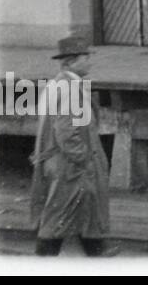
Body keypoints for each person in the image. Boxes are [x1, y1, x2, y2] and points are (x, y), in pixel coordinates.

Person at [30, 35, 109, 256]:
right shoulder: (70, 89)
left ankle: (98, 253)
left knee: (77, 212)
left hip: (60, 162)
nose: (89, 61)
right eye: (86, 57)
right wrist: (84, 158)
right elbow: (66, 130)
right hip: (69, 165)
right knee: (58, 218)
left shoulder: (58, 84)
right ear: (71, 61)